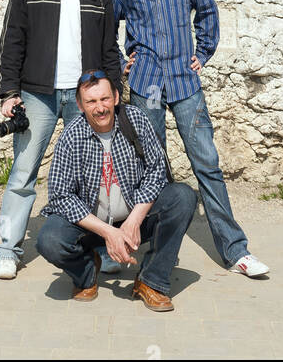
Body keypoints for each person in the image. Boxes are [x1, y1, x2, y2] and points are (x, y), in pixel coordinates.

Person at [108, 0, 269, 278]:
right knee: (151, 167)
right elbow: (106, 27)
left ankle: (235, 250)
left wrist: (204, 51)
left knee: (206, 164)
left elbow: (208, 11)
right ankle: (155, 249)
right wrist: (121, 61)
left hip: (185, 83)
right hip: (146, 85)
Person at [0, 0, 121, 280]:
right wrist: (9, 92)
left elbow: (109, 47)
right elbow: (12, 40)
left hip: (84, 97)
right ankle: (7, 250)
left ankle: (102, 249)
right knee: (22, 173)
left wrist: (112, 94)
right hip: (37, 94)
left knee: (94, 175)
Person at [37, 71, 197, 308]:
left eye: (104, 99)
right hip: (92, 224)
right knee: (49, 240)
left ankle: (151, 281)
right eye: (91, 102)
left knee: (183, 196)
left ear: (116, 97)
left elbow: (157, 170)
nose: (100, 108)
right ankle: (86, 272)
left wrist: (133, 221)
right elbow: (60, 195)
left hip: (133, 217)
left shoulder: (135, 119)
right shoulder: (71, 135)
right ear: (80, 105)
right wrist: (108, 233)